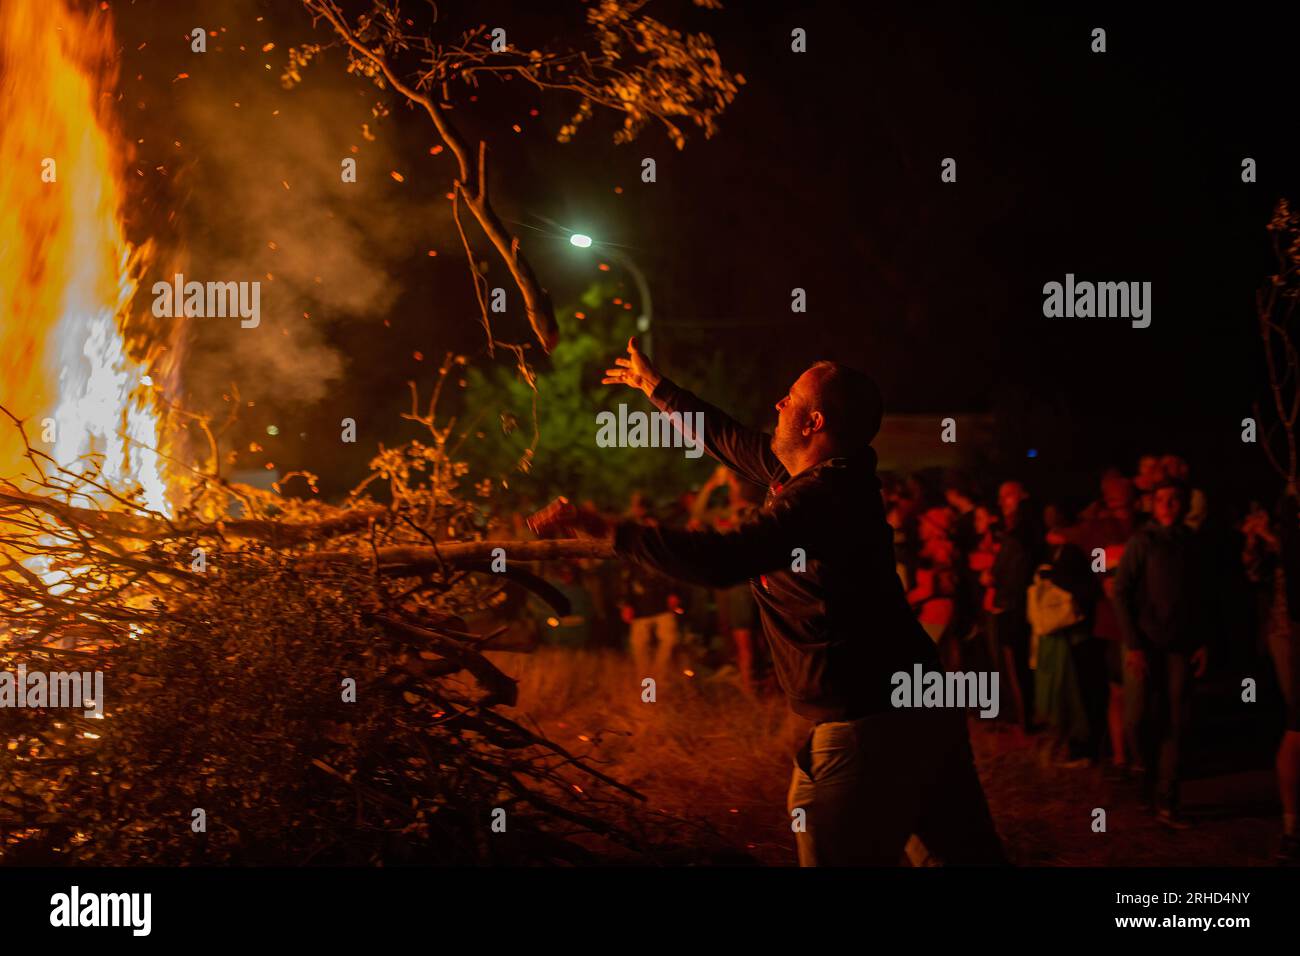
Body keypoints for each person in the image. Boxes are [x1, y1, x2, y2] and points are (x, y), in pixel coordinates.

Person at [543, 337, 1006, 866]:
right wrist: (658, 389)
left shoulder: (824, 498)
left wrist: (614, 533)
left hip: (873, 724)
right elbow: (727, 439)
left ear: (814, 424)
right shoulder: (811, 477)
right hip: (910, 711)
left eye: (790, 399)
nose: (777, 405)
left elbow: (726, 558)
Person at [1112, 479, 1210, 829]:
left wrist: (1202, 641)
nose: (1168, 505)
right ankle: (1144, 774)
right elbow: (1120, 592)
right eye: (1162, 500)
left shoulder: (1192, 544)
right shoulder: (1143, 541)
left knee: (1175, 720)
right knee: (1137, 718)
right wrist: (1134, 644)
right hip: (1143, 643)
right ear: (1152, 505)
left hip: (1179, 645)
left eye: (1175, 499)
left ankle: (1168, 798)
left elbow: (1201, 597)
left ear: (1183, 505)